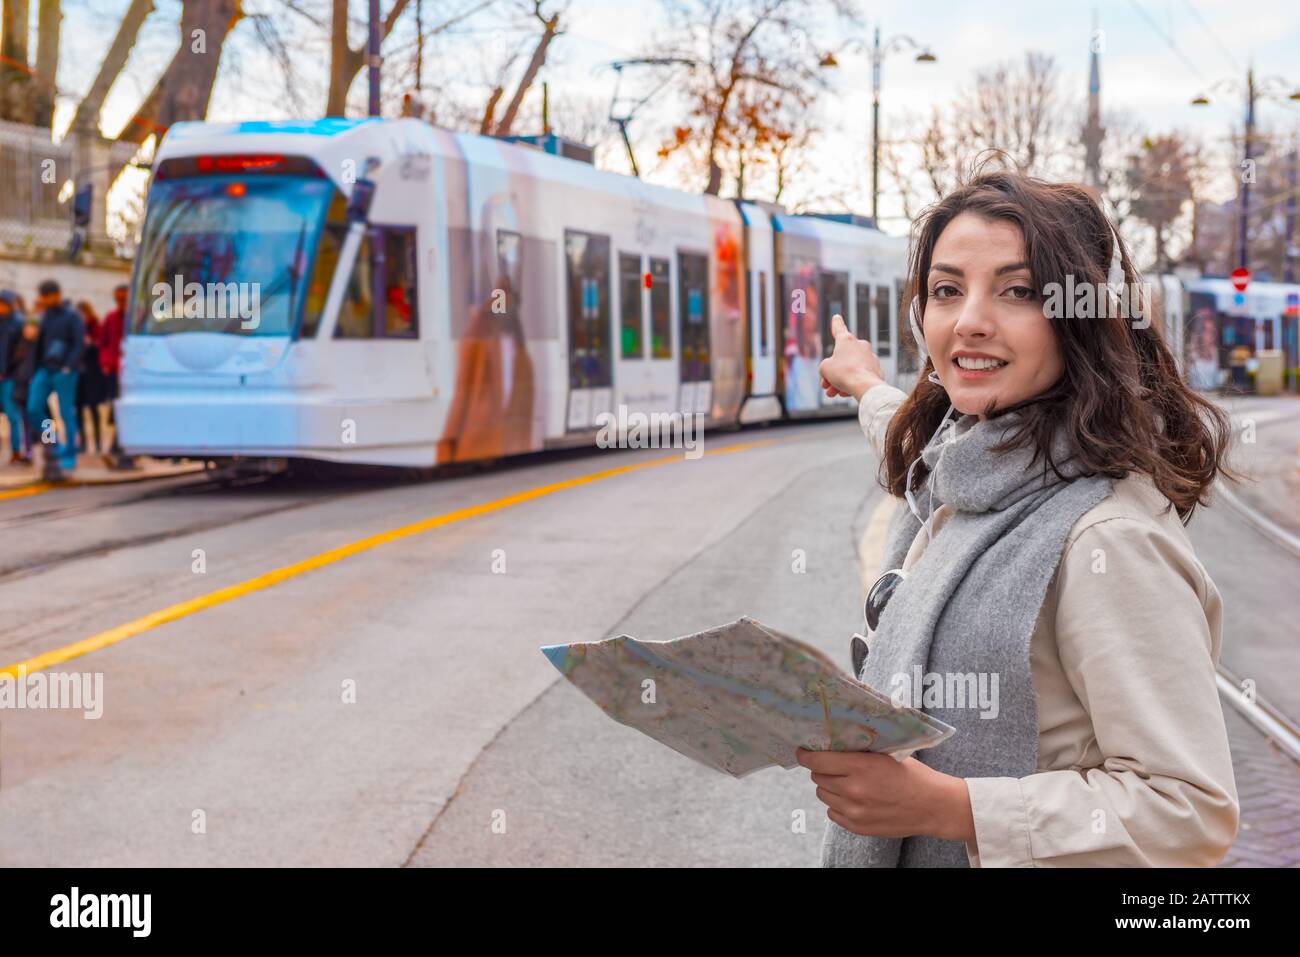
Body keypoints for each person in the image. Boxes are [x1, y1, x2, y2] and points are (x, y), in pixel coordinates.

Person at [809, 169, 1239, 867]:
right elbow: (912, 444)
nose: (969, 318)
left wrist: (947, 808)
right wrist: (862, 382)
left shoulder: (1107, 538)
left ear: (1079, 317)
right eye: (947, 290)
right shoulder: (968, 464)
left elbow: (1189, 810)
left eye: (1018, 290)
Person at [26, 279, 85, 472]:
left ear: (56, 295)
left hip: (64, 372)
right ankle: (52, 441)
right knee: (34, 408)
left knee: (66, 412)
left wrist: (68, 367)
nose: (42, 300)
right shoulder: (44, 317)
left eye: (45, 296)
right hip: (44, 369)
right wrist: (34, 370)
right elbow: (38, 345)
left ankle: (69, 454)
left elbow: (78, 343)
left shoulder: (72, 317)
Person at [75, 300, 109, 455]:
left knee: (94, 407)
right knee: (78, 408)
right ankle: (82, 443)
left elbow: (102, 346)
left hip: (93, 374)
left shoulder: (96, 326)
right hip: (79, 374)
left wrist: (91, 344)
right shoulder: (75, 329)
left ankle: (97, 443)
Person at [0, 290, 26, 462]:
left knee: (40, 415)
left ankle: (51, 448)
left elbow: (22, 353)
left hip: (12, 376)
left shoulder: (19, 323)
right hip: (6, 376)